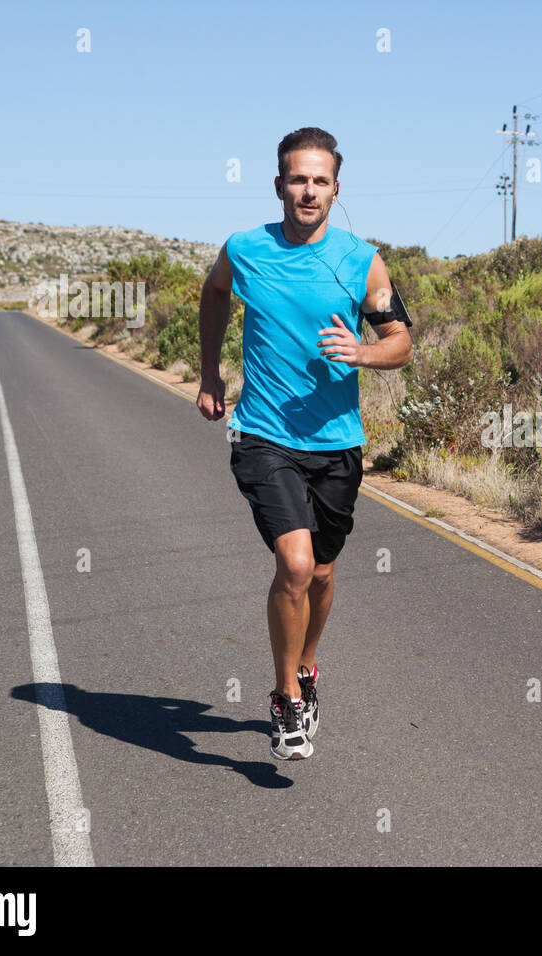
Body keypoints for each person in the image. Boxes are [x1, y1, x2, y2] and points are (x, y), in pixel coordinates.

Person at [196, 126, 412, 759]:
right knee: (293, 565)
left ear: (336, 188)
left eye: (320, 180)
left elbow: (400, 339)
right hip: (264, 435)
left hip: (337, 443)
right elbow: (212, 294)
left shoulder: (361, 259)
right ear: (279, 185)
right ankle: (286, 697)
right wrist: (210, 372)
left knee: (320, 571)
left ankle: (308, 667)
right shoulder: (245, 251)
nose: (308, 190)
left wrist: (364, 353)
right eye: (298, 178)